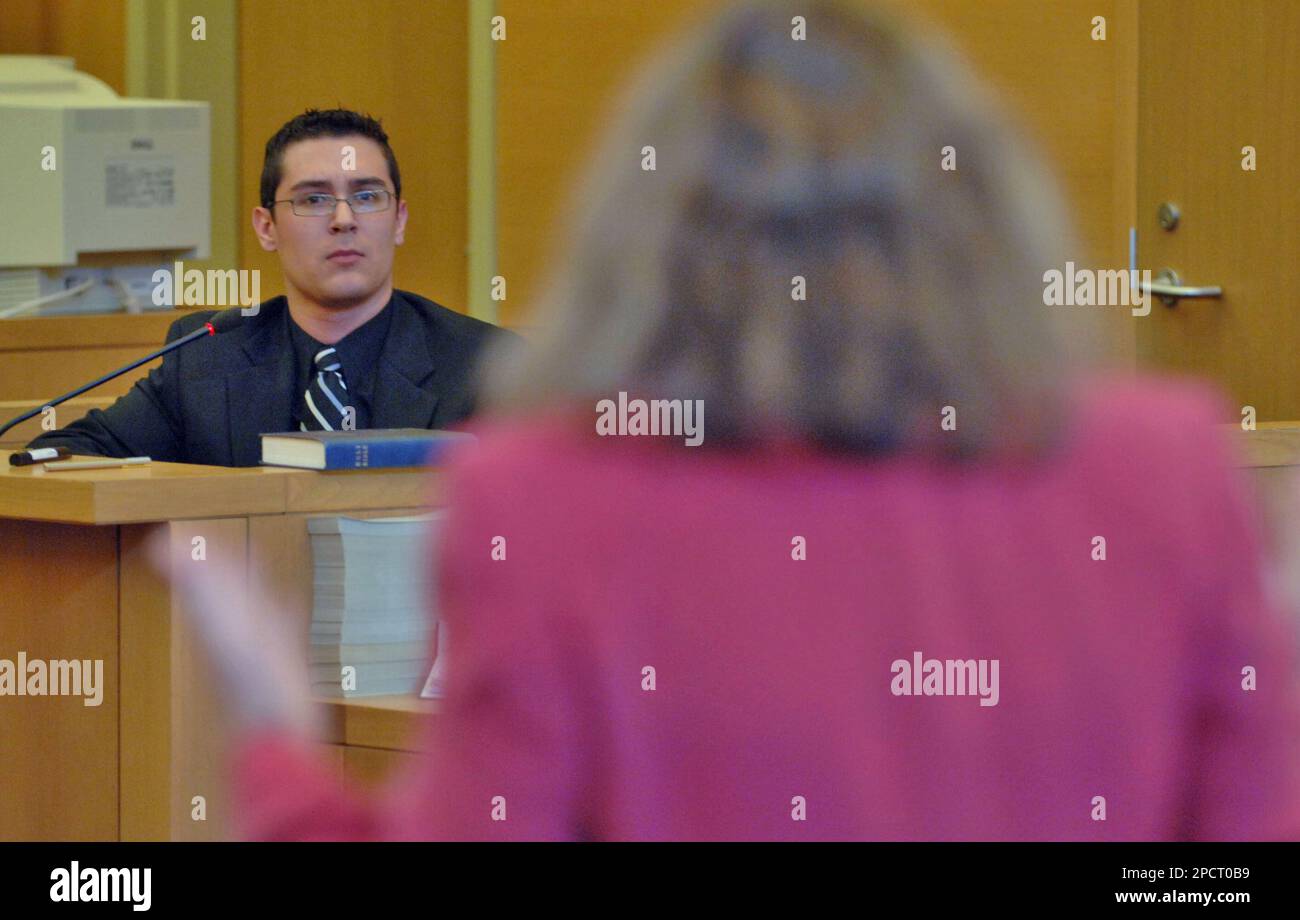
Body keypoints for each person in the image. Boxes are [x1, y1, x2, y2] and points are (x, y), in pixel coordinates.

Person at [156, 0, 1300, 839]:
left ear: (643, 228)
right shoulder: (1165, 471)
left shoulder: (543, 498)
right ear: (985, 208)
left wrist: (278, 749)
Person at [33, 108, 516, 466]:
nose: (344, 219)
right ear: (266, 228)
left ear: (399, 220)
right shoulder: (207, 357)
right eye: (314, 199)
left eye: (367, 196)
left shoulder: (487, 368)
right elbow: (65, 454)